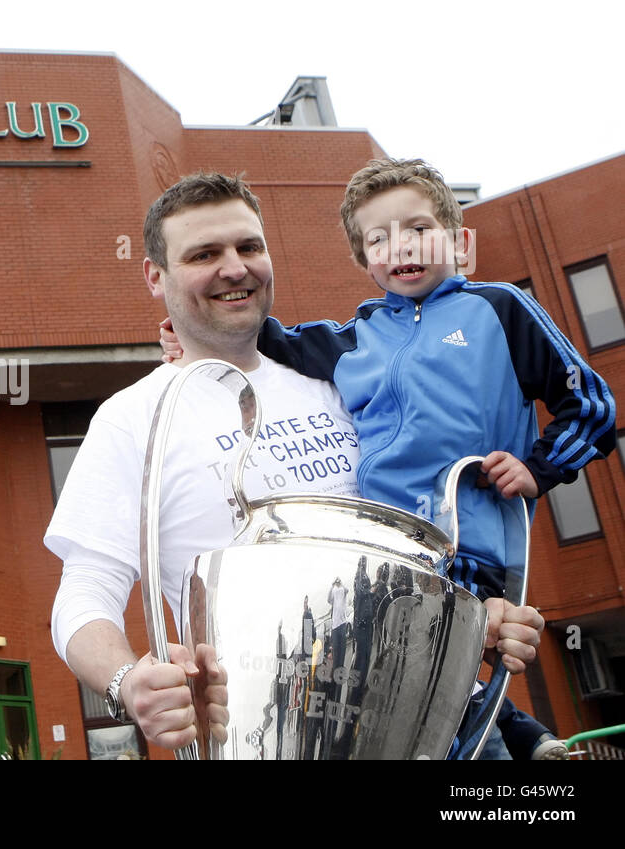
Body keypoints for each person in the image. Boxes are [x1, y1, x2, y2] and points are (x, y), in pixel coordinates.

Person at [46, 172, 547, 754]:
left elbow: (417, 541)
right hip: (264, 737)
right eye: (204, 254)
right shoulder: (134, 417)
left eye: (248, 247)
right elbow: (82, 595)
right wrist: (127, 682)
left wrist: (477, 618)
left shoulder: (342, 382)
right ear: (155, 276)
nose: (234, 268)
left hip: (421, 730)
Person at [159, 158, 610, 758]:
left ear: (461, 241)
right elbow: (266, 335)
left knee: (427, 673)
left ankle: (517, 748)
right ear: (364, 260)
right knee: (391, 685)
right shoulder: (358, 335)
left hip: (470, 541)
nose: (403, 247)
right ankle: (528, 741)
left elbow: (591, 404)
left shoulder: (499, 311)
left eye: (419, 228)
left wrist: (540, 467)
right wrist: (186, 333)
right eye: (380, 238)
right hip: (384, 551)